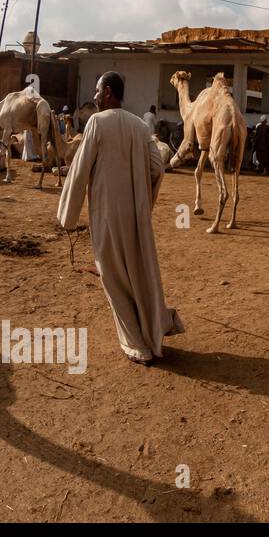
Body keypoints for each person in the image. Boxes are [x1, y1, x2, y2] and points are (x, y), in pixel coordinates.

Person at [56, 71, 185, 365]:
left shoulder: (97, 123)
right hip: (137, 218)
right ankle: (154, 329)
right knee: (139, 275)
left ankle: (135, 343)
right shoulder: (140, 127)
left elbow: (80, 170)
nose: (95, 95)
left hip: (107, 216)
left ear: (109, 93)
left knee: (113, 278)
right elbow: (157, 168)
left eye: (98, 90)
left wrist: (67, 216)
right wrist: (143, 201)